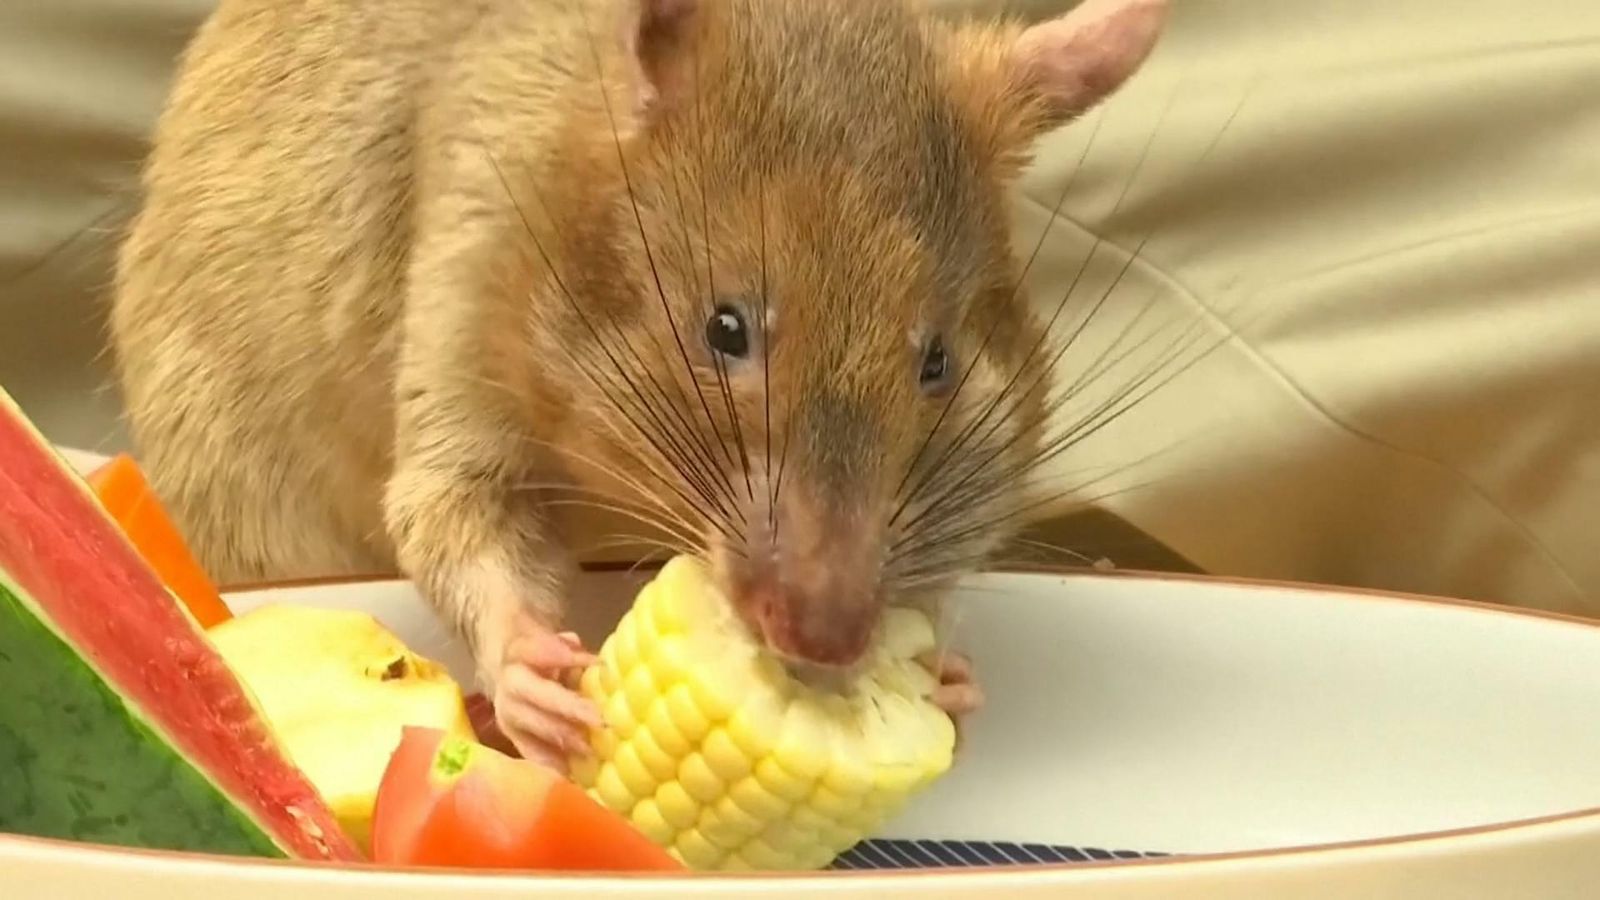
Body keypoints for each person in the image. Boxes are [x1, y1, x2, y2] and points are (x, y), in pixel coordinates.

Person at [2, 0, 1595, 615]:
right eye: (729, 339)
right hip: (299, 504)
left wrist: (907, 607)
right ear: (644, 56)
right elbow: (450, 485)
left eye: (919, 356)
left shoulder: (933, 139)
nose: (819, 579)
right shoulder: (539, 169)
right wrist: (506, 624)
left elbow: (967, 398)